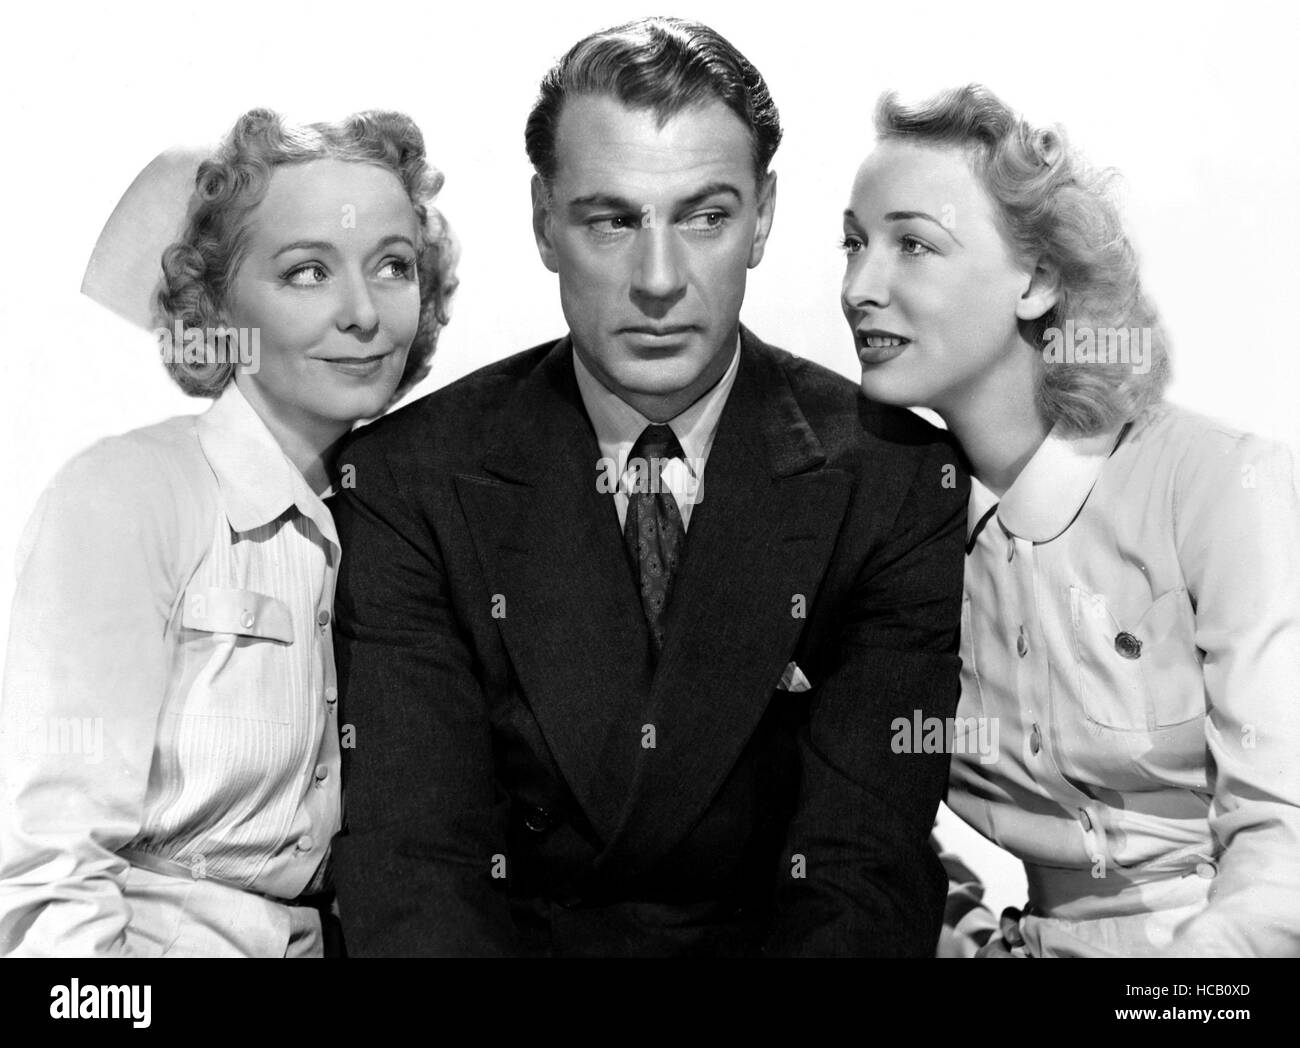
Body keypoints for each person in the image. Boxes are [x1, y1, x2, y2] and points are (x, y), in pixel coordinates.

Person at [330, 16, 969, 958]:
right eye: (612, 220)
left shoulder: (898, 481)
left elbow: (857, 877)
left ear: (763, 218)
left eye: (705, 217)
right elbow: (420, 867)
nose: (660, 281)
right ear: (545, 222)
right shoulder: (407, 478)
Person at [841, 84, 1300, 956]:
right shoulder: (887, 535)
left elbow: (1289, 848)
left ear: (1039, 279)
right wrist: (963, 933)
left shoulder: (1219, 486)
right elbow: (854, 821)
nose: (861, 287)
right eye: (854, 244)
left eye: (912, 245)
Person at [0, 107, 456, 957]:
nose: (362, 313)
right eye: (307, 273)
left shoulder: (405, 518)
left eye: (392, 265)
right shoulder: (128, 497)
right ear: (216, 305)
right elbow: (46, 878)